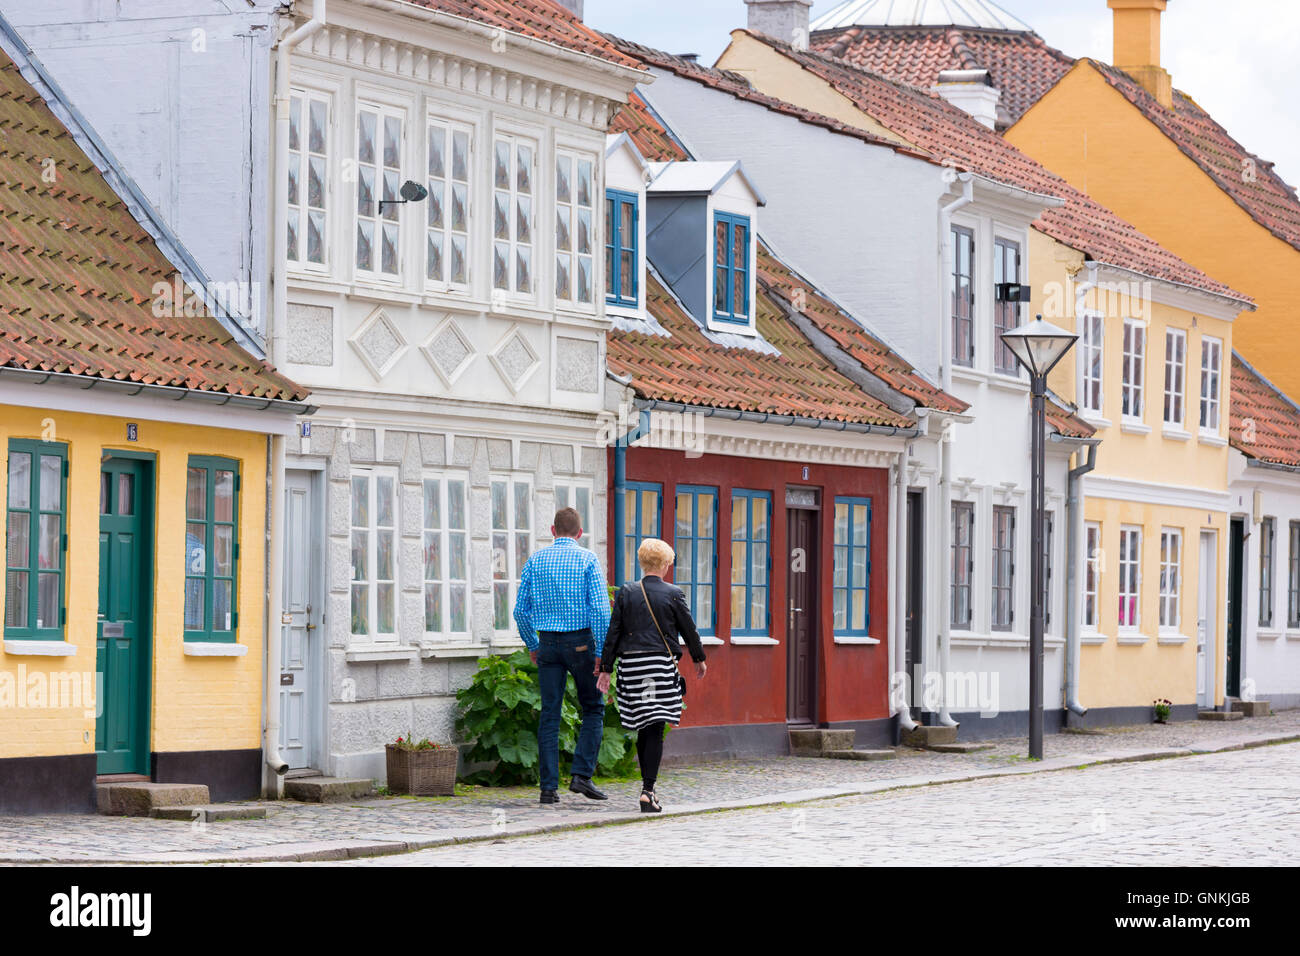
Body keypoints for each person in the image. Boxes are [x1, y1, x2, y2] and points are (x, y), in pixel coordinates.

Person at [598, 538, 707, 813]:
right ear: (666, 564)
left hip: (633, 667)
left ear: (642, 563)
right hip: (659, 665)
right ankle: (648, 789)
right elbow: (688, 628)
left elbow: (614, 632)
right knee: (656, 727)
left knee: (645, 724)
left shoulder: (627, 592)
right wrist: (699, 659)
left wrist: (606, 669)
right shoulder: (672, 593)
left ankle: (649, 791)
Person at [513, 507, 612, 805]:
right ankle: (581, 774)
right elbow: (600, 610)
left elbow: (520, 611)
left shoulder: (536, 561)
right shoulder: (587, 559)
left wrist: (533, 644)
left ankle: (548, 788)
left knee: (550, 713)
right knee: (593, 707)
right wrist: (602, 656)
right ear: (580, 533)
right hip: (581, 642)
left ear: (553, 530)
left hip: (548, 645)